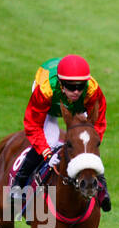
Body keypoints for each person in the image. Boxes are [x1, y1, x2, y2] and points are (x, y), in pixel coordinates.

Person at [11, 55, 110, 211]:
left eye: (80, 86)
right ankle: (19, 183)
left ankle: (102, 187)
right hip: (50, 106)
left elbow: (98, 123)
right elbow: (33, 125)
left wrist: (89, 145)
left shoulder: (92, 90)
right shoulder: (45, 90)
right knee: (50, 138)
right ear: (61, 84)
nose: (76, 91)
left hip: (78, 107)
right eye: (71, 87)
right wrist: (47, 154)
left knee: (84, 140)